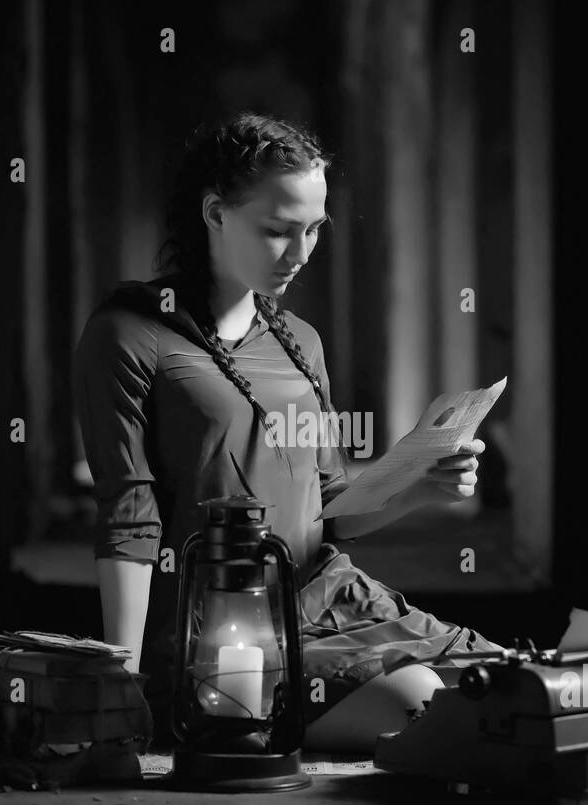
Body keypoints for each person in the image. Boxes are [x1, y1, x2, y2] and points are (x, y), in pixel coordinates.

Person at [72, 111, 504, 753]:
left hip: (335, 600)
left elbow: (328, 507)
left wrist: (420, 488)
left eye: (313, 230)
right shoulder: (130, 332)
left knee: (506, 683)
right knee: (430, 709)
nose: (300, 254)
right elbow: (129, 519)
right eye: (277, 231)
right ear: (214, 214)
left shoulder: (300, 342)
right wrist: (123, 683)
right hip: (223, 628)